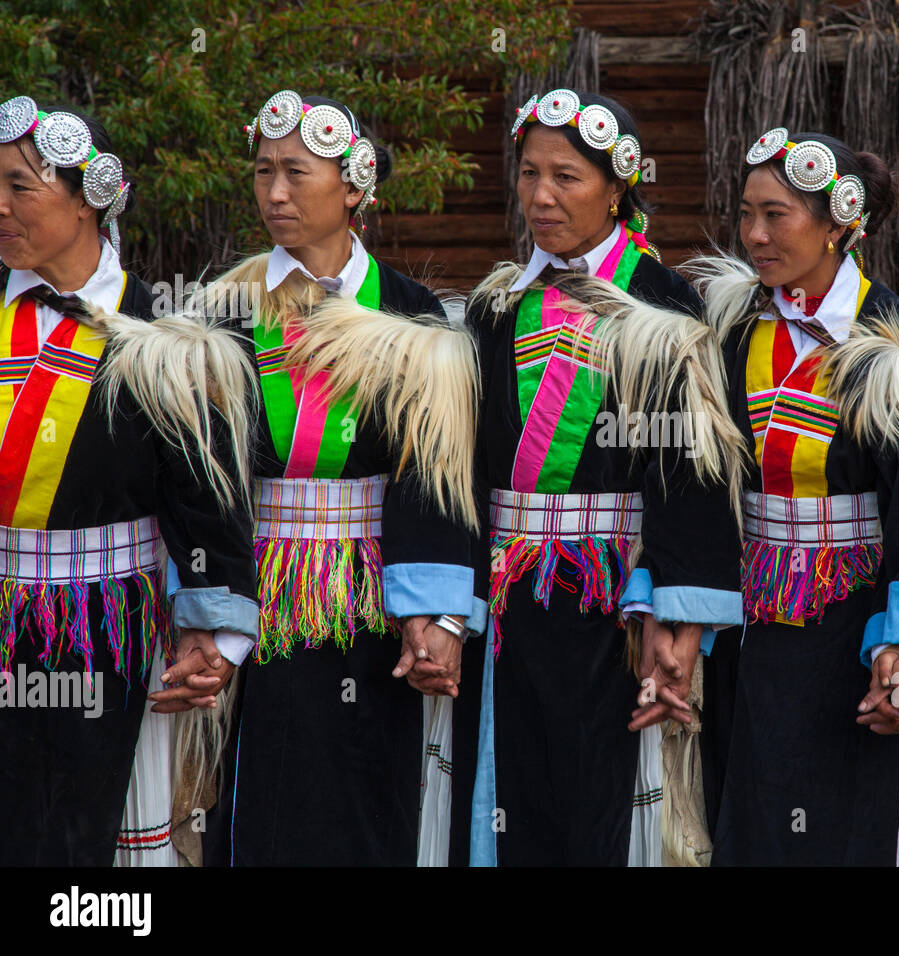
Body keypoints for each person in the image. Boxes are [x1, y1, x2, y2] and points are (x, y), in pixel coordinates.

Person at [462, 88, 745, 866]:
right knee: (511, 798)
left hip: (618, 603)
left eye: (567, 178)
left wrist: (674, 612)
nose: (541, 197)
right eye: (528, 174)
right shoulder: (497, 307)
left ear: (618, 186)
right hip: (512, 598)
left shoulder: (661, 301)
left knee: (605, 805)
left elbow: (691, 472)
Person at [200, 90, 481, 866]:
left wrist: (436, 616)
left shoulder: (411, 311)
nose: (275, 193)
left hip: (374, 594)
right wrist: (209, 608)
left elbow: (437, 473)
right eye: (262, 172)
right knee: (262, 783)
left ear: (354, 187)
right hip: (259, 591)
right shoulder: (225, 308)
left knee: (369, 781)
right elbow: (204, 473)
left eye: (296, 172)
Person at [686, 129, 899, 865]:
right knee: (744, 810)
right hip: (749, 627)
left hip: (852, 629)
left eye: (776, 215)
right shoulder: (732, 325)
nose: (753, 235)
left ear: (841, 220)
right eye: (746, 213)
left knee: (839, 825)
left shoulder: (896, 345)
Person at [0, 95, 257, 865]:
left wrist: (215, 633)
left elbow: (208, 505)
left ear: (90, 200)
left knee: (90, 839)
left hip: (109, 637)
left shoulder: (165, 340)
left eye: (19, 186)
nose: (0, 206)